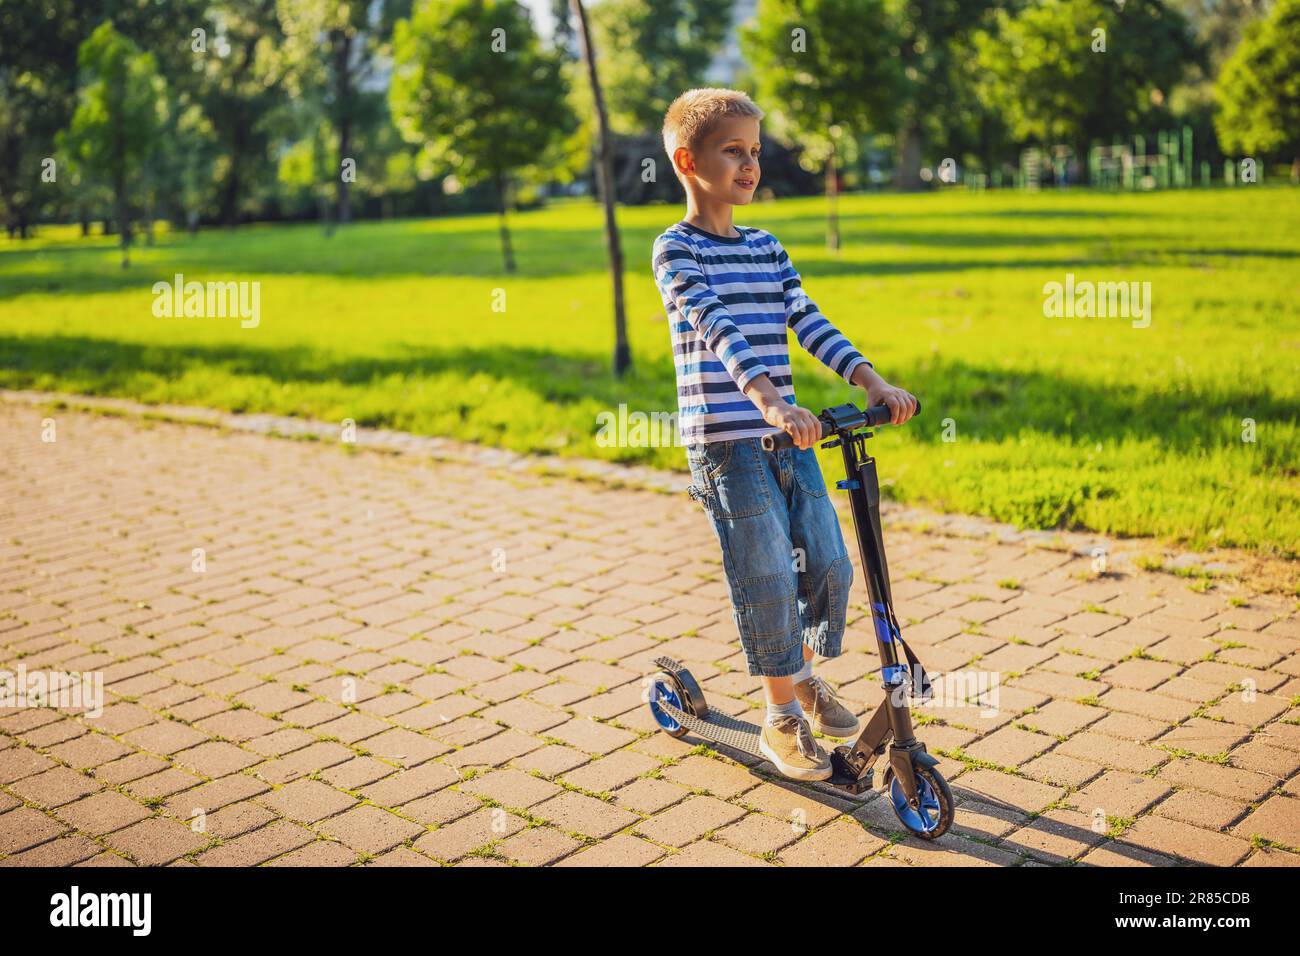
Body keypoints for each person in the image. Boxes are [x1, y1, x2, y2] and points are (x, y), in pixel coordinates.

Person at [651, 88, 918, 781]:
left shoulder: (767, 247)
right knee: (767, 574)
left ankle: (798, 672)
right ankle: (781, 718)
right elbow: (718, 328)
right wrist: (769, 400)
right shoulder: (676, 250)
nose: (749, 164)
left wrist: (870, 381)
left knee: (828, 562)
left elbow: (808, 320)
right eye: (732, 151)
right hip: (729, 445)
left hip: (791, 441)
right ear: (687, 160)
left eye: (755, 152)